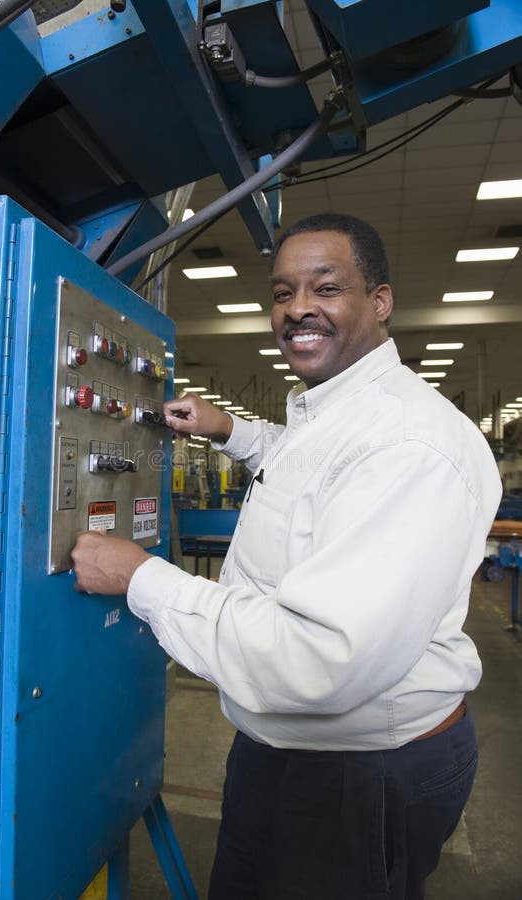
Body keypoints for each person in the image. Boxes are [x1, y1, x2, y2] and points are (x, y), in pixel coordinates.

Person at [72, 213, 502, 899]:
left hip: (358, 776)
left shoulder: (409, 444)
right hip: (286, 753)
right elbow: (313, 469)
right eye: (281, 293)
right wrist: (231, 431)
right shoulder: (335, 413)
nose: (297, 308)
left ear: (380, 300)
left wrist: (140, 577)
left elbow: (315, 660)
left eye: (325, 287)